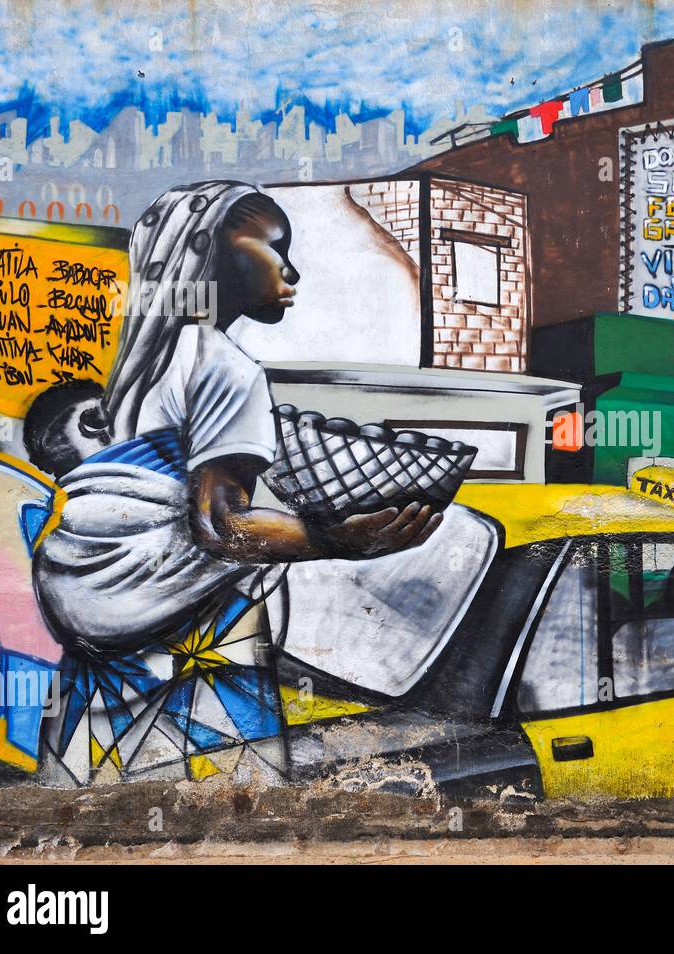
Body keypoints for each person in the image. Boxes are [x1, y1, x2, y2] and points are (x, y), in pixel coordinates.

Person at [27, 181, 439, 784]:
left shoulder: (139, 368)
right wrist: (338, 540)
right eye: (274, 249)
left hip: (101, 664)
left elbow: (122, 499)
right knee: (222, 802)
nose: (292, 270)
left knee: (99, 798)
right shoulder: (224, 366)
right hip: (201, 647)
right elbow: (219, 529)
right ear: (209, 255)